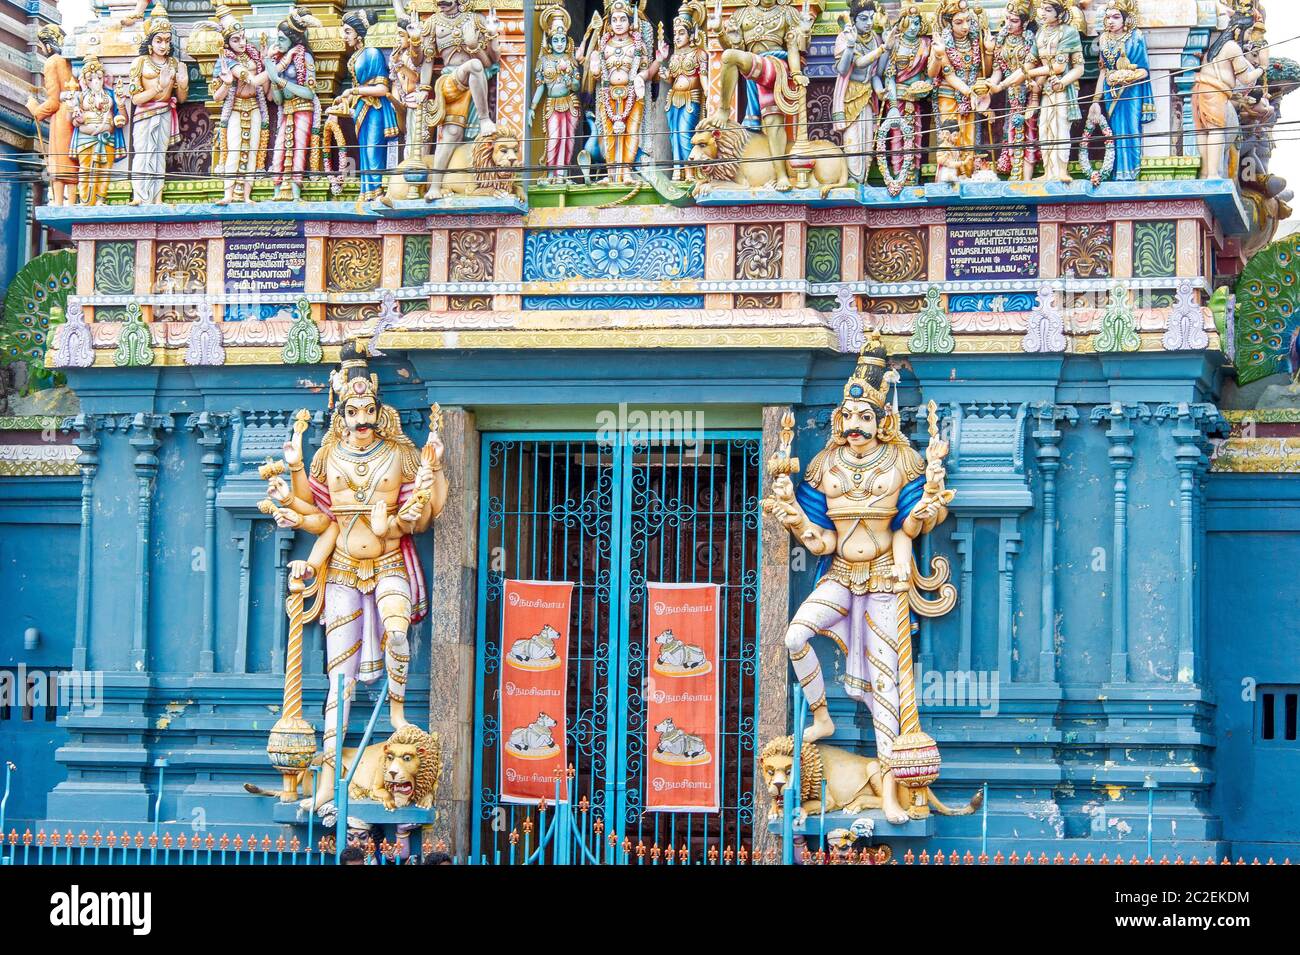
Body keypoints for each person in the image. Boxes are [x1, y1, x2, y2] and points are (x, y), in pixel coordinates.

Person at [264, 338, 447, 756]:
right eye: (352, 411)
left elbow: (420, 515)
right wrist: (294, 470)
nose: (361, 420)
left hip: (388, 563)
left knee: (397, 632)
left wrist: (429, 470)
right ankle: (330, 768)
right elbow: (320, 515)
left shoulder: (399, 453)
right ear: (341, 415)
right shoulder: (328, 456)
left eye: (368, 411)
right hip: (344, 567)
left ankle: (398, 715)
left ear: (380, 411)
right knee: (339, 676)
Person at [127, 8, 188, 205]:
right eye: (159, 40)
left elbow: (181, 98)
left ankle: (156, 197)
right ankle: (139, 196)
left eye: (167, 40)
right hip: (144, 114)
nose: (164, 45)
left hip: (164, 112)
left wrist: (184, 83)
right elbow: (135, 100)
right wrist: (158, 87)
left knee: (159, 155)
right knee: (143, 154)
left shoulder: (174, 63)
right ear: (150, 42)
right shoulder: (140, 63)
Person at [1089, 0, 1153, 182]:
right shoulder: (1103, 39)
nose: (1110, 21)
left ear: (1126, 19)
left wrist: (1125, 76)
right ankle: (1117, 172)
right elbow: (1103, 72)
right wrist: (1095, 100)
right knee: (1114, 130)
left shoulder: (1136, 37)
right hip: (1111, 91)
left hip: (1130, 91)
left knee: (1130, 129)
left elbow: (1144, 70)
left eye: (1116, 17)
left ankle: (1130, 173)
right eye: (1108, 17)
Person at [339, 11, 399, 201]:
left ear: (358, 32)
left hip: (375, 109)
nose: (344, 36)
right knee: (364, 149)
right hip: (362, 109)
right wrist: (344, 100)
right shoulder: (358, 54)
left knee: (373, 149)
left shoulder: (372, 53)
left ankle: (378, 190)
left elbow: (382, 88)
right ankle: (367, 191)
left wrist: (353, 92)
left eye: (348, 32)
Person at [210, 16, 270, 205]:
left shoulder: (254, 59)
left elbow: (266, 91)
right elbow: (217, 96)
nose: (242, 43)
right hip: (235, 108)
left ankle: (246, 194)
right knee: (234, 149)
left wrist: (266, 63)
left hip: (255, 107)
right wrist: (275, 68)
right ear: (227, 43)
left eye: (243, 38)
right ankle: (228, 193)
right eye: (236, 40)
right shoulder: (226, 61)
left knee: (252, 149)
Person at [266, 7, 321, 202]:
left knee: (298, 150)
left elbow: (308, 92)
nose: (277, 43)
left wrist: (280, 80)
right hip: (286, 108)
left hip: (303, 109)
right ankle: (277, 190)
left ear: (293, 39)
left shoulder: (304, 57)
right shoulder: (282, 60)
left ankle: (296, 192)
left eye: (281, 39)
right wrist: (271, 68)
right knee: (279, 149)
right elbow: (278, 100)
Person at [27, 25, 78, 206]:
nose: (42, 49)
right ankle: (71, 201)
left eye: (42, 45)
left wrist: (36, 110)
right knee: (72, 159)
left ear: (49, 44)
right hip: (76, 111)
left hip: (62, 114)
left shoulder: (52, 62)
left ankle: (58, 202)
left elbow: (53, 101)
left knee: (59, 159)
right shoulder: (71, 60)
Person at [71, 57, 126, 206]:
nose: (96, 81)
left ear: (104, 78)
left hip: (107, 137)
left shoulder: (111, 96)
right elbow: (74, 120)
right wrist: (78, 120)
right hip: (86, 138)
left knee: (105, 169)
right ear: (85, 81)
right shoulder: (81, 96)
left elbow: (122, 118)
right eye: (91, 79)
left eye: (99, 77)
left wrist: (119, 116)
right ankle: (85, 200)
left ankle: (100, 199)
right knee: (85, 168)